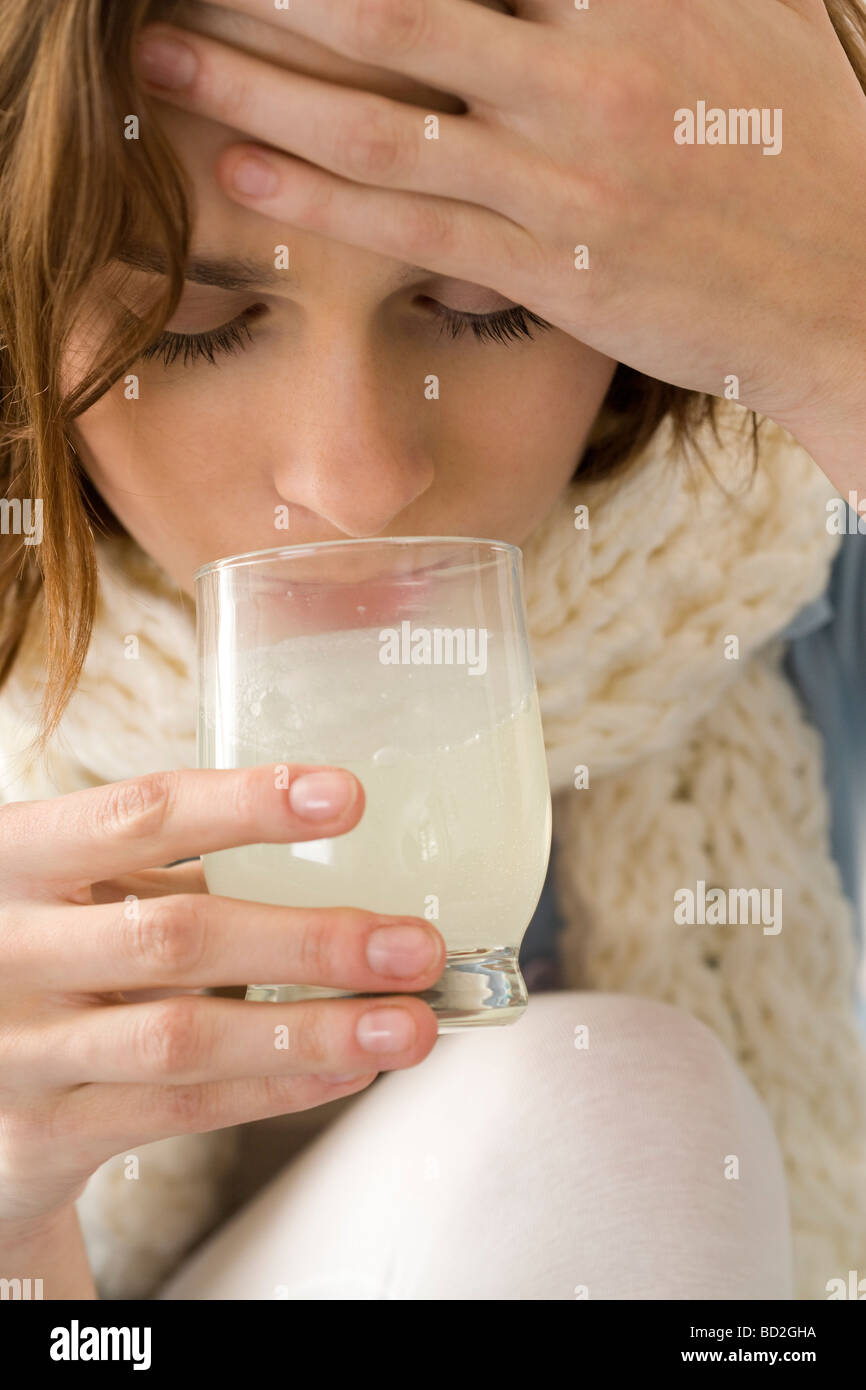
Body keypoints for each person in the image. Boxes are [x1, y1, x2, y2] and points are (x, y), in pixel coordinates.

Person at [0, 0, 864, 1301]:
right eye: (185, 322)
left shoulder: (809, 547)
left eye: (480, 301)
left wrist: (839, 305)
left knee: (604, 1109)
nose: (354, 477)